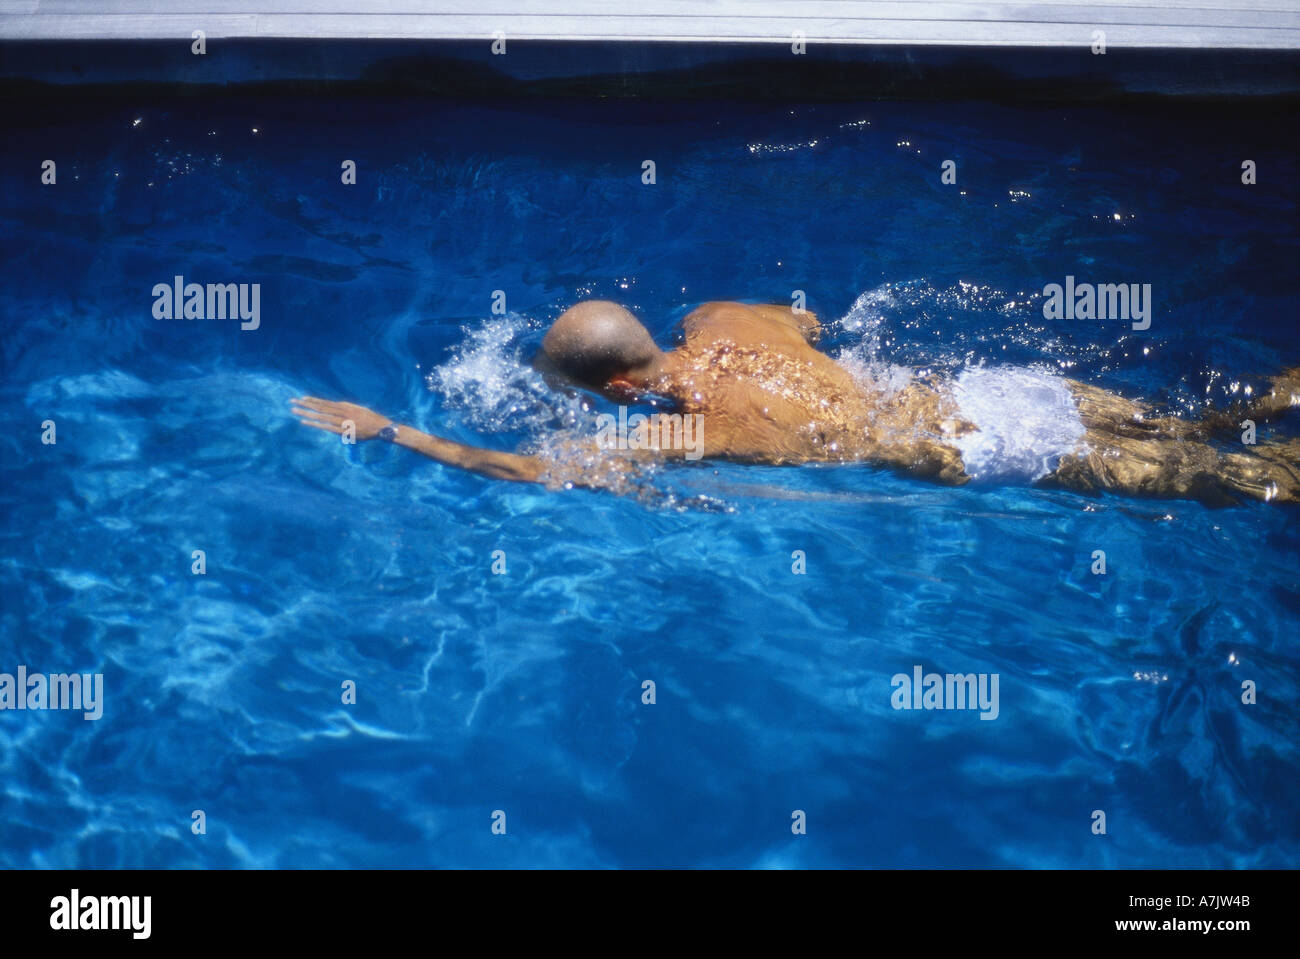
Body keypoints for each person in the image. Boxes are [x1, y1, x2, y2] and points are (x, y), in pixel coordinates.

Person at [291, 299, 1300, 504]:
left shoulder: (692, 430)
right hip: (991, 386)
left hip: (971, 447)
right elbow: (814, 320)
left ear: (628, 387)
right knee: (1197, 427)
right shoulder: (726, 310)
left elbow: (538, 469)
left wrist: (396, 430)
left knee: (1257, 484)